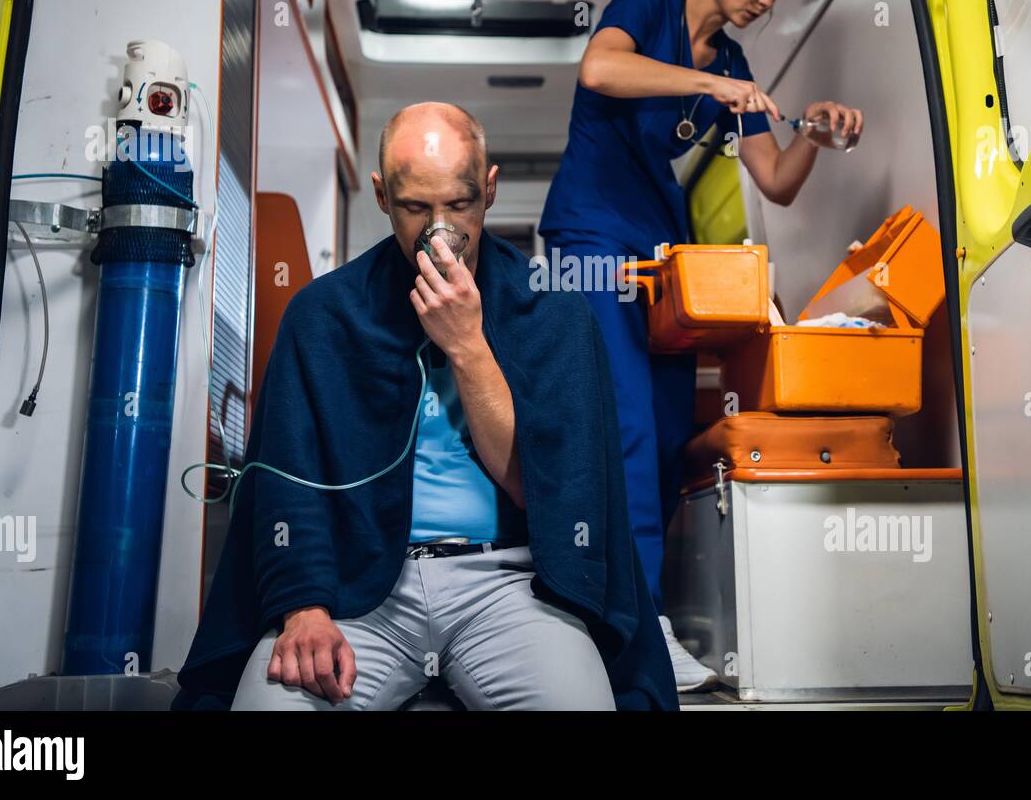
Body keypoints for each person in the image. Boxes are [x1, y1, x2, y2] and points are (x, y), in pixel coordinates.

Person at [172, 102, 677, 711]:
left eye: (459, 205)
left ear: (489, 190)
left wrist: (467, 344)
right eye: (415, 208)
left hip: (510, 583)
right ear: (383, 196)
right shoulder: (324, 316)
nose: (441, 231)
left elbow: (541, 486)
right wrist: (304, 609)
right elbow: (287, 481)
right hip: (359, 590)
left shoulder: (554, 311)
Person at [538, 0, 864, 692]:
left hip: (663, 254)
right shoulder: (645, 4)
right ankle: (632, 627)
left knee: (667, 427)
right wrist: (709, 87)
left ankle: (641, 615)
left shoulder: (739, 66)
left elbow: (777, 182)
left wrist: (815, 135)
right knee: (627, 426)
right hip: (592, 242)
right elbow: (600, 70)